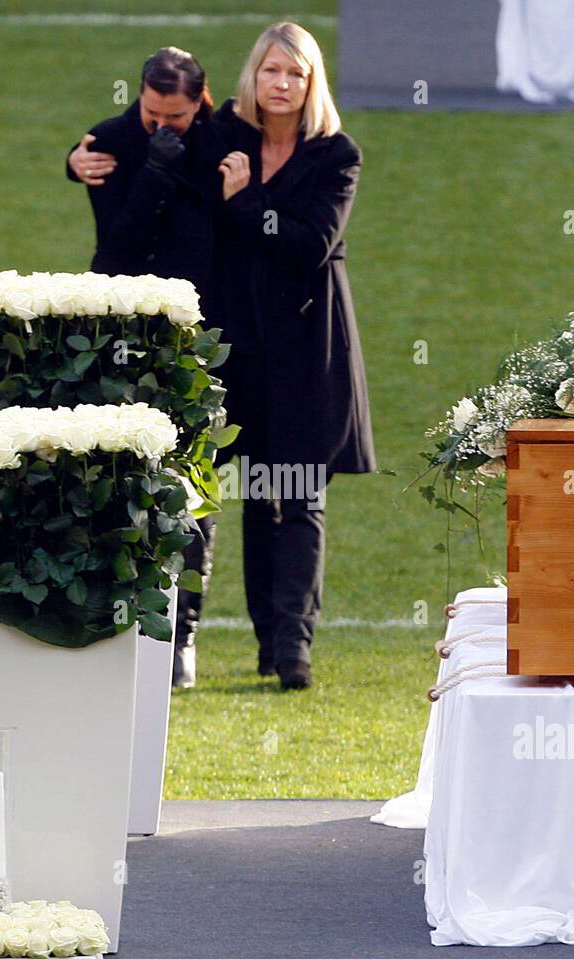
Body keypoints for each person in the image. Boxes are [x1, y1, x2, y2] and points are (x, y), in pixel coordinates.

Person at [211, 23, 376, 690]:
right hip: (243, 346)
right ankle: (266, 644)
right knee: (257, 494)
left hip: (311, 347)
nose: (281, 84)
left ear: (312, 84)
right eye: (271, 71)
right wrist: (81, 159)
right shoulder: (226, 136)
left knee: (301, 494)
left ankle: (295, 650)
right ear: (253, 77)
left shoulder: (337, 155)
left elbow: (310, 244)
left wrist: (245, 205)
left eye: (295, 74)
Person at [65, 47, 224, 689]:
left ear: (200, 101)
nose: (163, 125)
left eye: (177, 116)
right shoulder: (108, 141)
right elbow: (120, 245)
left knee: (193, 484)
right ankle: (112, 622)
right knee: (115, 475)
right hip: (121, 330)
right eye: (152, 111)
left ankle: (180, 635)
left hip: (200, 335)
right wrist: (155, 169)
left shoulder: (221, 139)